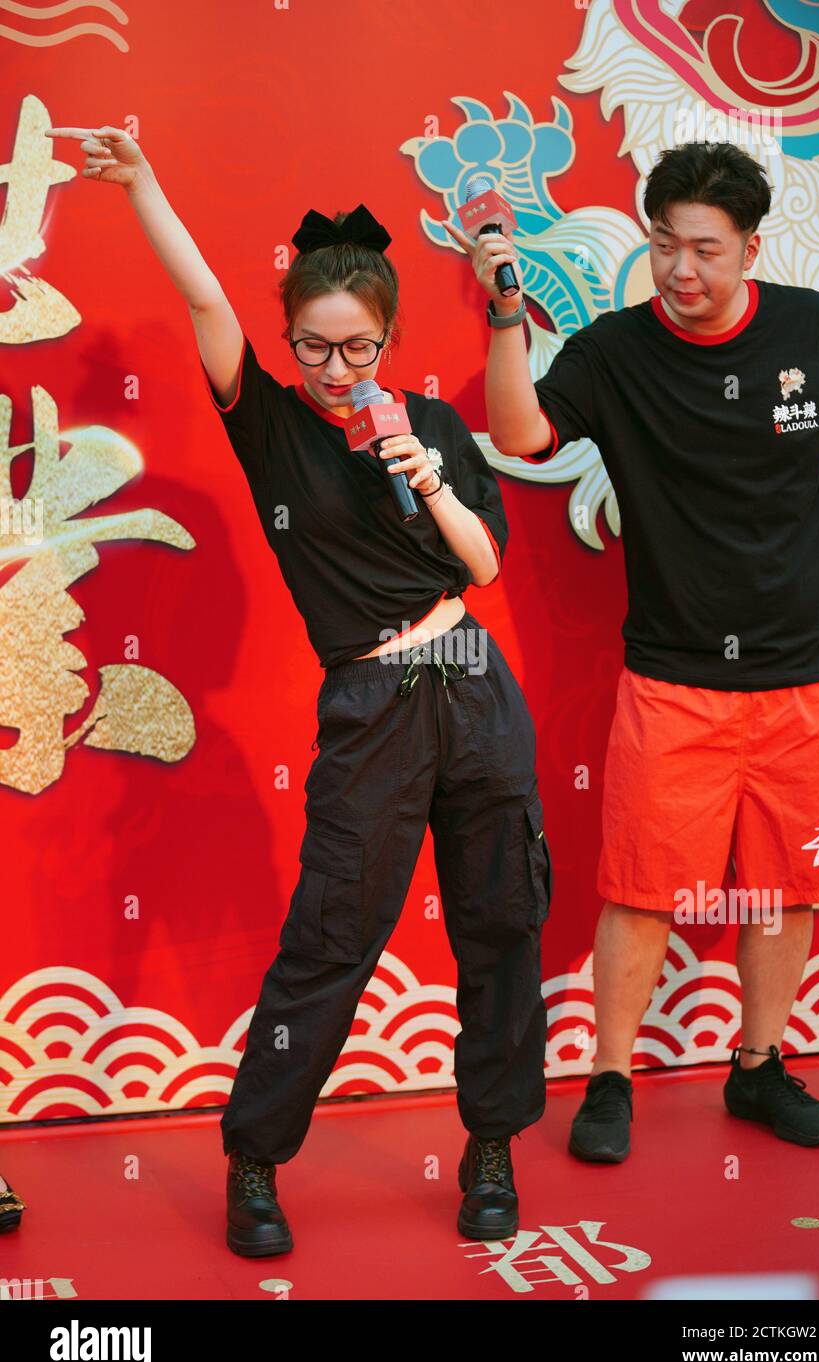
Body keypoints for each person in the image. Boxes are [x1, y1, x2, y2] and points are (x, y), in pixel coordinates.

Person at [44, 125, 553, 1255]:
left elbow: (484, 564)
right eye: (317, 348)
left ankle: (490, 1148)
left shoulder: (429, 425)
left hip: (472, 679)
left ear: (389, 340)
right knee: (331, 937)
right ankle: (257, 1159)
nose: (338, 371)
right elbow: (208, 304)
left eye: (360, 349)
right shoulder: (270, 426)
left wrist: (428, 480)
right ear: (289, 342)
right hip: (372, 702)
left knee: (502, 921)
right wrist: (147, 188)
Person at [445, 140, 819, 1162]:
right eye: (666, 245)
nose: (683, 270)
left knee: (786, 886)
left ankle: (759, 1066)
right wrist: (505, 310)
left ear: (751, 250)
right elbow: (518, 430)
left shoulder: (810, 328)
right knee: (641, 889)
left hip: (810, 677)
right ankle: (609, 1079)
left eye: (706, 251)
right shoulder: (618, 349)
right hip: (674, 680)